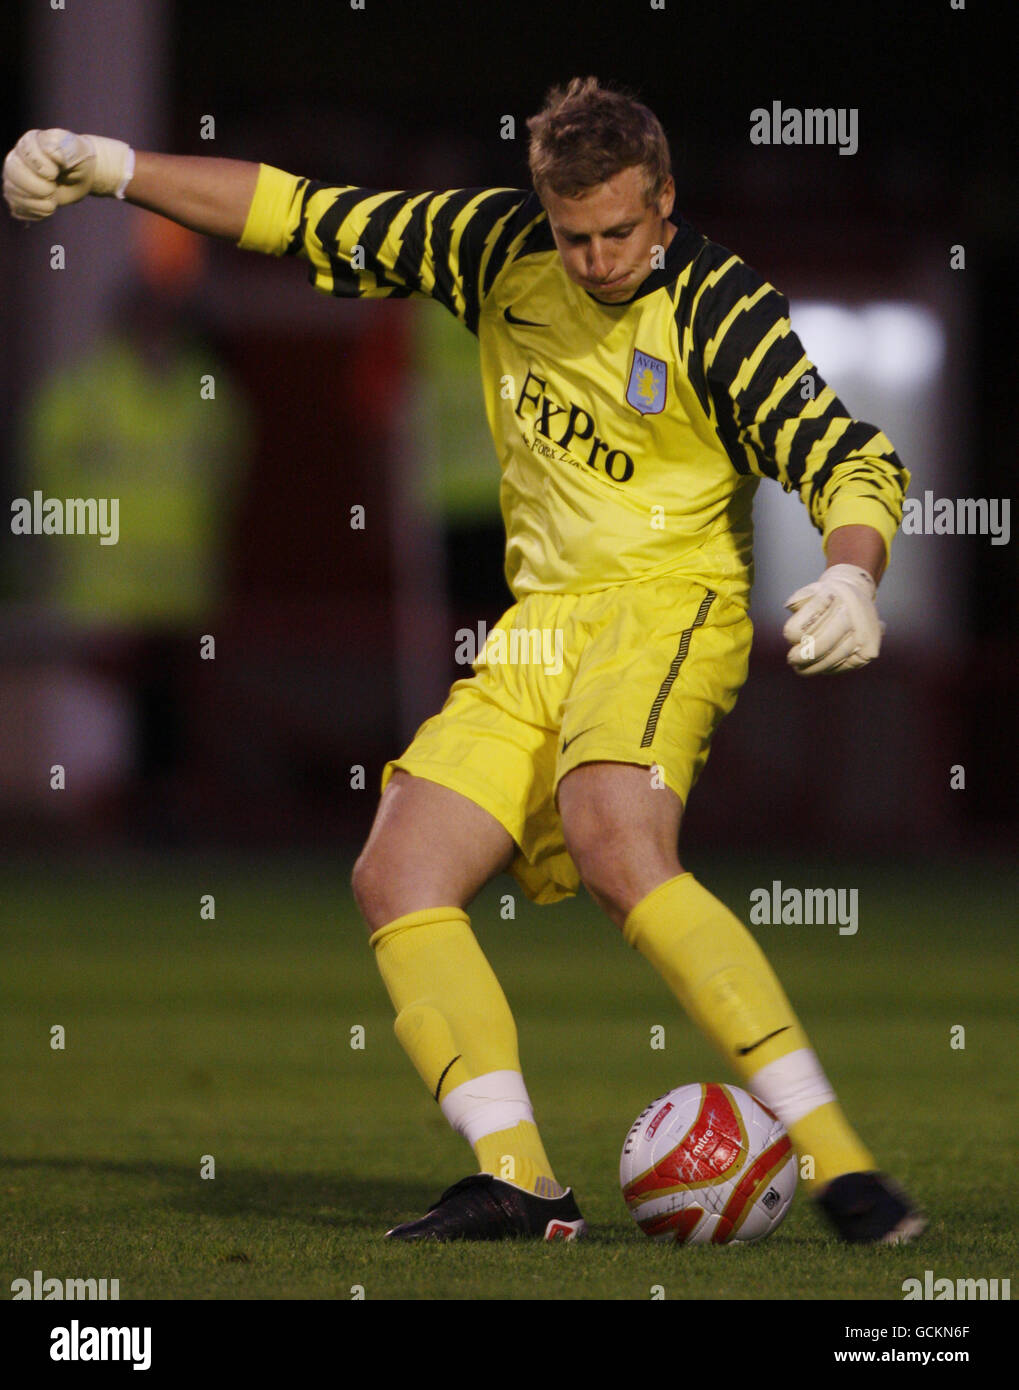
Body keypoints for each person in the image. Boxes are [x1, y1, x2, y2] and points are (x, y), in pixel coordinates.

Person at [4, 77, 924, 1245]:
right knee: (398, 873)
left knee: (613, 840)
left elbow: (846, 455)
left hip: (665, 607)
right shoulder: (489, 244)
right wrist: (110, 165)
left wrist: (852, 571)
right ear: (541, 210)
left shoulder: (718, 305)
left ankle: (844, 1168)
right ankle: (521, 1180)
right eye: (573, 235)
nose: (594, 259)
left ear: (665, 203)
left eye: (619, 233)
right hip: (538, 622)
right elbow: (297, 211)